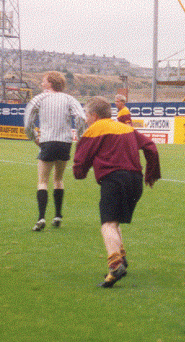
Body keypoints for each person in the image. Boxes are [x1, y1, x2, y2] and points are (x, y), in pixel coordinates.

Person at [73, 96, 161, 288]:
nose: (86, 119)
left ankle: (115, 265)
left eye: (86, 115)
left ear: (94, 115)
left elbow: (82, 155)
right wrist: (151, 173)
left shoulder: (95, 129)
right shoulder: (126, 128)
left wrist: (79, 172)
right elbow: (151, 147)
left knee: (107, 224)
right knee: (115, 221)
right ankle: (122, 257)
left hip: (114, 180)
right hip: (135, 180)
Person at [24, 71, 87, 231]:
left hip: (47, 141)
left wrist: (34, 138)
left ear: (50, 83)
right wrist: (80, 137)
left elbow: (28, 122)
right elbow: (80, 117)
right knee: (58, 179)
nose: (41, 83)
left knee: (42, 181)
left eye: (43, 81)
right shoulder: (69, 99)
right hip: (65, 142)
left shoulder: (39, 98)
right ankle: (58, 215)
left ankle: (41, 218)